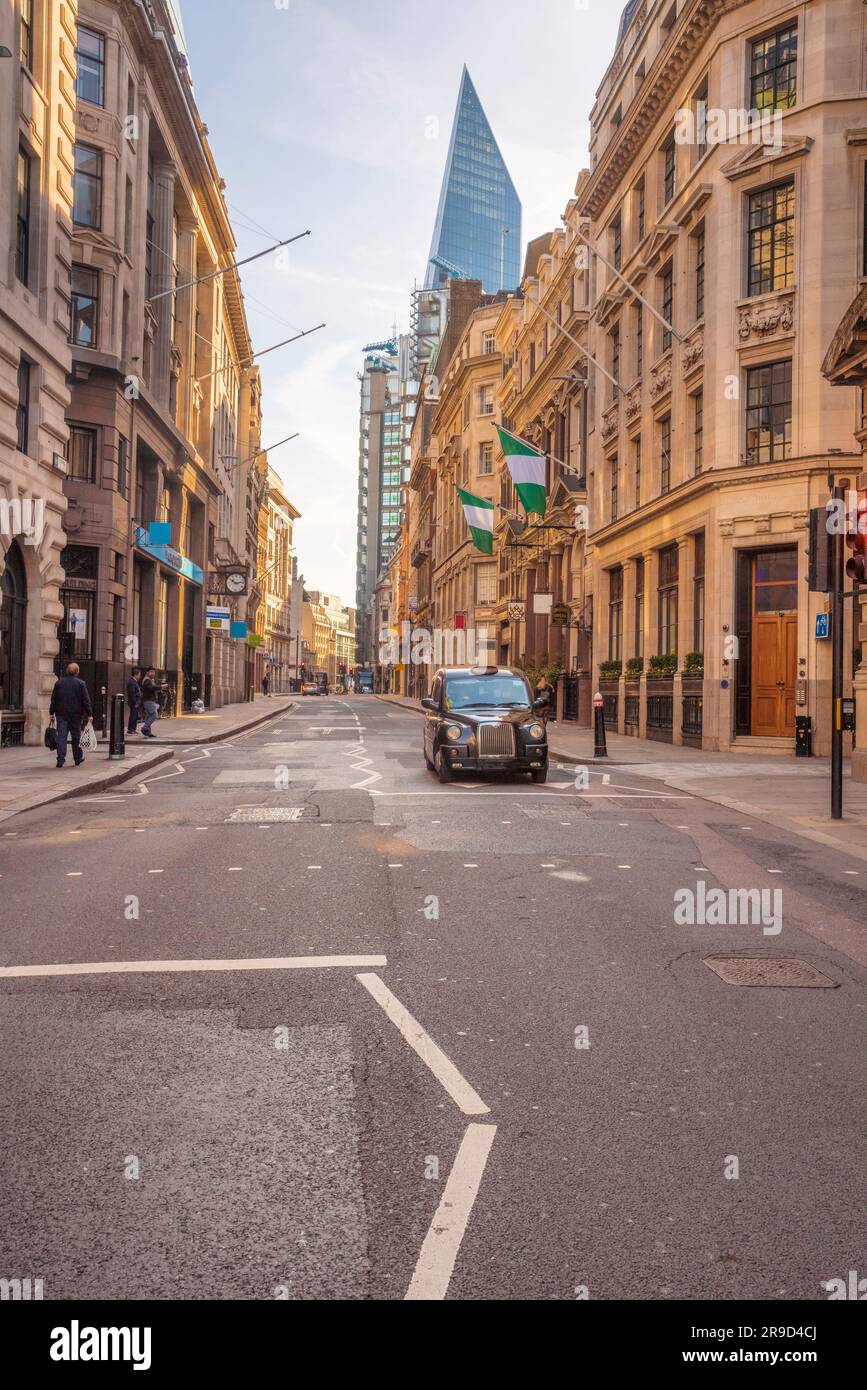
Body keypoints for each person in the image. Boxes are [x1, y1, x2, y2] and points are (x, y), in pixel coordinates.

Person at [49, 662, 93, 768]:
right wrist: (89, 714)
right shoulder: (81, 684)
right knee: (76, 737)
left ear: (67, 671)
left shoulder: (59, 683)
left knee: (62, 737)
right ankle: (77, 758)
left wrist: (51, 713)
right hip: (76, 715)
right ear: (77, 672)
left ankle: (60, 760)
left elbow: (54, 700)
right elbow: (85, 700)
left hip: (61, 714)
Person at [140, 668, 159, 738]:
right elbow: (151, 688)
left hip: (148, 700)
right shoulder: (147, 680)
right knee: (154, 715)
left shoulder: (149, 680)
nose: (153, 673)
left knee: (148, 716)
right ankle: (144, 728)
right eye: (151, 672)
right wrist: (161, 686)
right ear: (147, 672)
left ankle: (148, 732)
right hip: (149, 700)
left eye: (154, 672)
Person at [126, 668, 142, 734]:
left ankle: (133, 729)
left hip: (135, 702)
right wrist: (135, 702)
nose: (140, 676)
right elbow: (132, 693)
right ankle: (131, 729)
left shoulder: (134, 682)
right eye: (139, 675)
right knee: (133, 715)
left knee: (134, 716)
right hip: (133, 702)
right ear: (136, 675)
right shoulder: (132, 682)